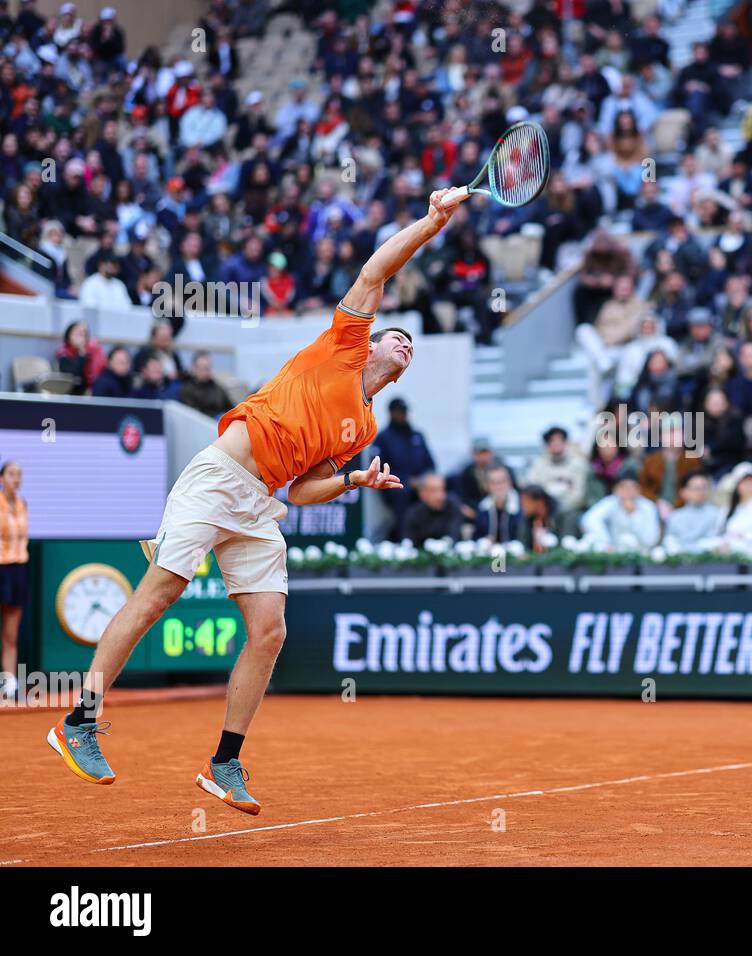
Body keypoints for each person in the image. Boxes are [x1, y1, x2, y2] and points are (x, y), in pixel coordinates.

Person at [48, 186, 469, 813]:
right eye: (397, 335)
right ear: (375, 341)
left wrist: (354, 481)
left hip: (260, 505)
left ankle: (225, 763)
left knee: (269, 632)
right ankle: (79, 721)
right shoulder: (345, 344)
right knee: (160, 593)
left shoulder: (366, 424)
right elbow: (377, 269)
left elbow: (302, 490)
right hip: (219, 475)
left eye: (412, 345)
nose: (404, 343)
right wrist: (431, 223)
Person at [372, 397, 437, 535]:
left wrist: (425, 481)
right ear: (391, 413)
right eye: (399, 412)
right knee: (403, 494)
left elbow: (430, 464)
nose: (403, 415)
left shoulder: (417, 435)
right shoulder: (383, 439)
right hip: (395, 486)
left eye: (404, 411)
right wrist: (408, 481)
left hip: (421, 485)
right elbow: (378, 468)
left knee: (439, 491)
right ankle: (405, 539)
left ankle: (435, 539)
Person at [0, 463, 28, 703]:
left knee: (11, 634)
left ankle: (9, 685)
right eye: (11, 474)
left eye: (19, 475)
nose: (16, 479)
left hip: (18, 570)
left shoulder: (22, 505)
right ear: (2, 478)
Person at [580, 467, 661, 550]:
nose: (628, 491)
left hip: (642, 552)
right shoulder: (611, 502)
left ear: (638, 490)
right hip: (614, 551)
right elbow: (589, 519)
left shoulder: (648, 507)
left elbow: (651, 539)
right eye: (624, 487)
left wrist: (632, 515)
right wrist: (606, 542)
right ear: (616, 489)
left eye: (632, 487)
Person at [401, 472, 470, 544]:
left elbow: (452, 536)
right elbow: (408, 542)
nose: (440, 496)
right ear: (422, 493)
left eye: (442, 489)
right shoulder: (413, 513)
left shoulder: (453, 506)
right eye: (434, 491)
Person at [663, 472, 723, 550]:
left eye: (704, 488)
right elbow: (670, 542)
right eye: (696, 489)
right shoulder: (675, 517)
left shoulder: (716, 514)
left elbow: (716, 540)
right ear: (683, 492)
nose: (701, 492)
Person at [177, 351, 234, 419]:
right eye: (202, 368)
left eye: (207, 368)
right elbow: (191, 415)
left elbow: (231, 409)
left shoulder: (218, 388)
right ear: (194, 368)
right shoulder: (186, 390)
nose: (205, 372)